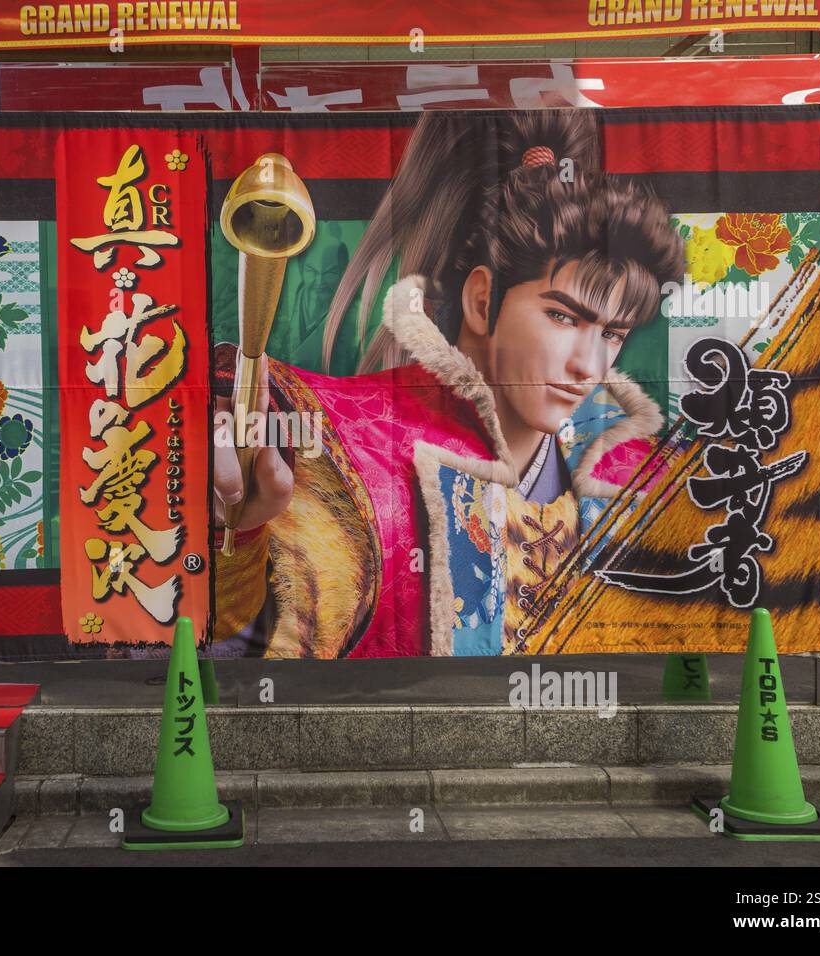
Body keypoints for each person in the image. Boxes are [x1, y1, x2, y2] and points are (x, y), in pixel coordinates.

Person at [211, 111, 684, 659]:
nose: (588, 365)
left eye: (613, 334)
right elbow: (228, 647)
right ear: (483, 300)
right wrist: (235, 537)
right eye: (562, 317)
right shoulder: (341, 440)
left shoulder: (633, 471)